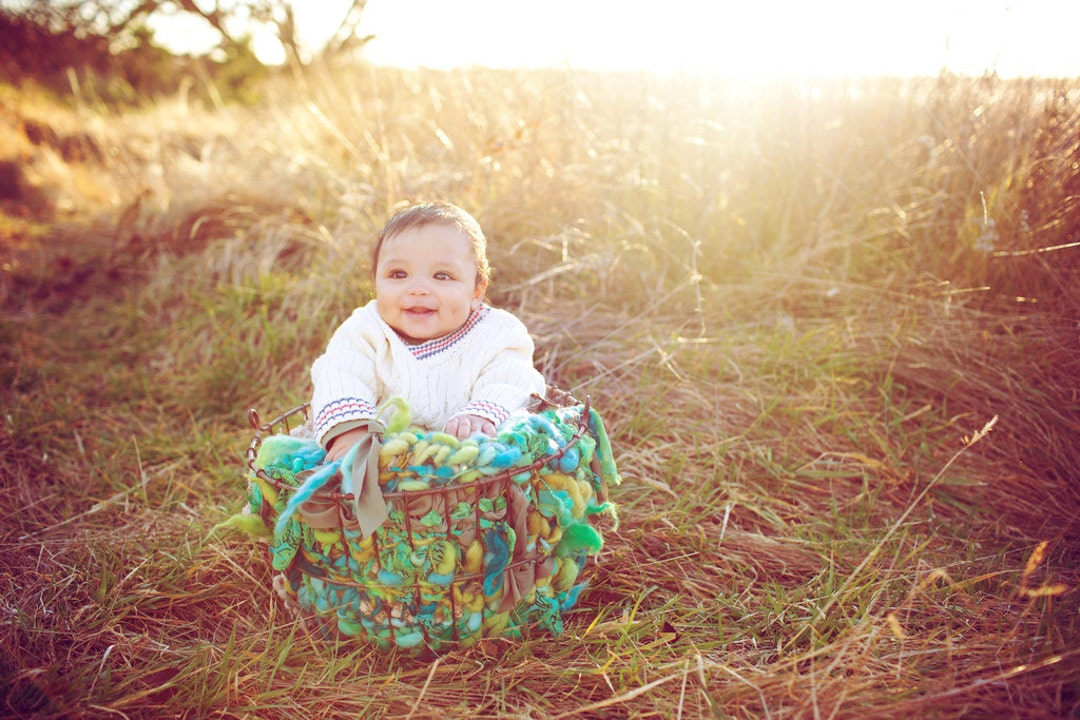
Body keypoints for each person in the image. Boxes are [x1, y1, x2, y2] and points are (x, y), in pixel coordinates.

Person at [310, 201, 546, 463]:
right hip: (384, 463)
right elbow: (341, 375)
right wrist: (352, 431)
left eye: (442, 276)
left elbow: (512, 377)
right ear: (375, 280)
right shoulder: (365, 330)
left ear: (477, 290)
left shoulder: (496, 332)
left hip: (468, 463)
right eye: (399, 274)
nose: (418, 289)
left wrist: (482, 412)